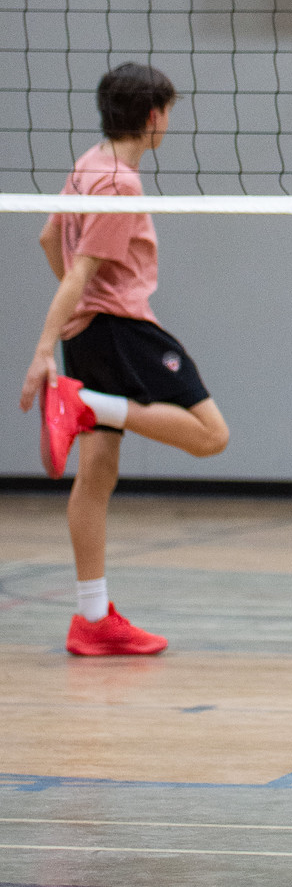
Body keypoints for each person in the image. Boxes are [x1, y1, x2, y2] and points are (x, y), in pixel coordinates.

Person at [18, 63, 231, 657]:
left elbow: (46, 240)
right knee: (211, 435)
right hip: (120, 327)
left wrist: (73, 320)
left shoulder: (89, 163)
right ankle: (86, 405)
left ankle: (91, 617)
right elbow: (82, 269)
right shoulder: (119, 184)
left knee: (96, 477)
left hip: (88, 330)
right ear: (154, 116)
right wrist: (43, 351)